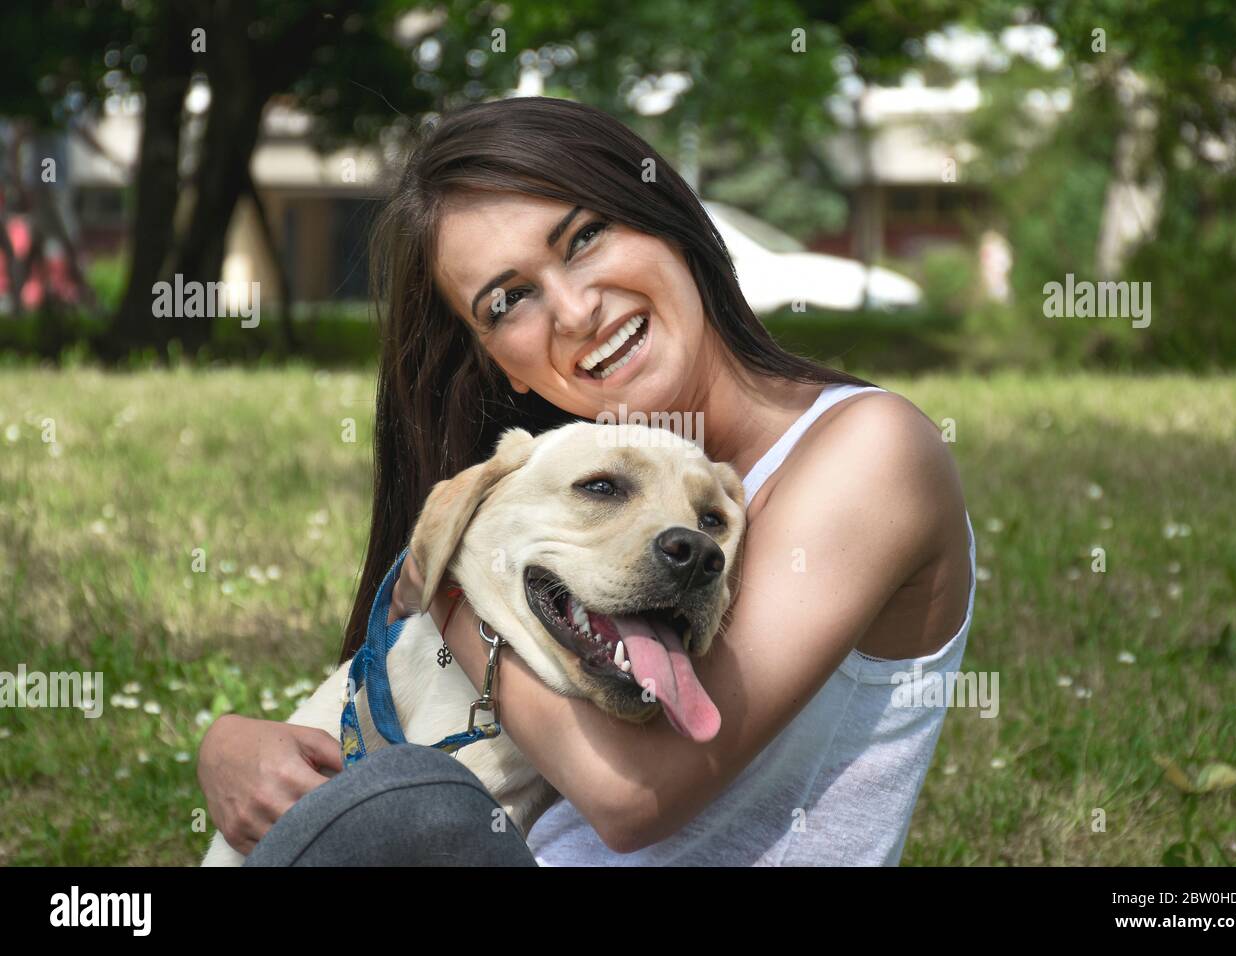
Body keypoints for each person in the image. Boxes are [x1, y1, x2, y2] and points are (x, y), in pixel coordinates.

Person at [197, 96, 976, 866]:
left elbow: (633, 795)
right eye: (510, 300)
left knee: (413, 814)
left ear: (665, 213)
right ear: (496, 359)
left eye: (585, 238)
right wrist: (231, 745)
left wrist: (451, 569)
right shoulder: (554, 493)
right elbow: (402, 706)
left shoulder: (870, 452)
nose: (575, 311)